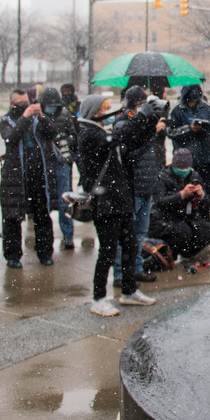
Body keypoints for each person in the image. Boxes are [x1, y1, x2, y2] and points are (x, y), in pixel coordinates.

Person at [75, 92, 161, 316]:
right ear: (93, 112)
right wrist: (141, 116)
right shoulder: (88, 134)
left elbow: (130, 143)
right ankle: (98, 298)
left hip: (119, 198)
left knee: (131, 244)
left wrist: (150, 122)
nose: (108, 111)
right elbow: (120, 138)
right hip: (105, 201)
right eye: (104, 108)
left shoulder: (100, 130)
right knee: (108, 250)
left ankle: (129, 291)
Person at [0, 88, 59, 268]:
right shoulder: (6, 120)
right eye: (19, 104)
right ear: (11, 104)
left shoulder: (36, 119)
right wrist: (24, 116)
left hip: (39, 176)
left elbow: (52, 133)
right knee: (13, 217)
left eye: (26, 103)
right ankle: (13, 256)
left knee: (42, 216)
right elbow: (10, 139)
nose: (24, 106)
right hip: (16, 177)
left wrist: (41, 117)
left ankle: (45, 252)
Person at [116, 86, 163, 281]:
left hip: (146, 186)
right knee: (126, 234)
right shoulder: (122, 123)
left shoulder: (145, 123)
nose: (145, 109)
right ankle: (120, 273)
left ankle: (136, 269)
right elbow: (127, 153)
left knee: (141, 232)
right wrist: (147, 134)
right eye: (142, 105)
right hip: (132, 187)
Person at [150, 148, 210, 263]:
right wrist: (181, 195)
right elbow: (160, 202)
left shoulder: (194, 175)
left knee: (208, 231)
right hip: (164, 219)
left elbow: (204, 203)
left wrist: (201, 195)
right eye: (181, 168)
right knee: (183, 231)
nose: (184, 171)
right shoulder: (162, 177)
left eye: (186, 168)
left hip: (187, 217)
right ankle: (170, 252)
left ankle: (187, 253)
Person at [168, 84, 210, 226]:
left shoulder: (206, 108)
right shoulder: (176, 110)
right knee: (187, 193)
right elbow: (170, 132)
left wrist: (206, 128)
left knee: (206, 192)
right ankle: (189, 222)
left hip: (205, 157)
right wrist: (188, 129)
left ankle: (205, 221)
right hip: (187, 160)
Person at [50, 85, 80, 250]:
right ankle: (53, 236)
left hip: (62, 160)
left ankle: (68, 236)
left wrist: (63, 140)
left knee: (64, 198)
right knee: (54, 198)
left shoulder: (65, 114)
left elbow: (74, 135)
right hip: (50, 161)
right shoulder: (40, 117)